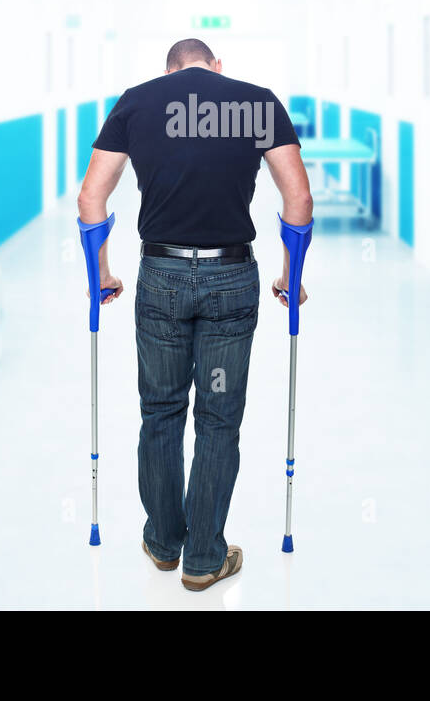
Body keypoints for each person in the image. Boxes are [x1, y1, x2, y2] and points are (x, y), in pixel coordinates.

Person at [77, 38, 313, 591]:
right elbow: (297, 200)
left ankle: (162, 543)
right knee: (218, 416)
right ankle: (204, 558)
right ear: (217, 66)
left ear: (168, 70)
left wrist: (102, 276)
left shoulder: (136, 102)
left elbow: (92, 199)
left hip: (160, 277)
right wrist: (290, 276)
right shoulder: (256, 103)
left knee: (159, 410)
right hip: (231, 281)